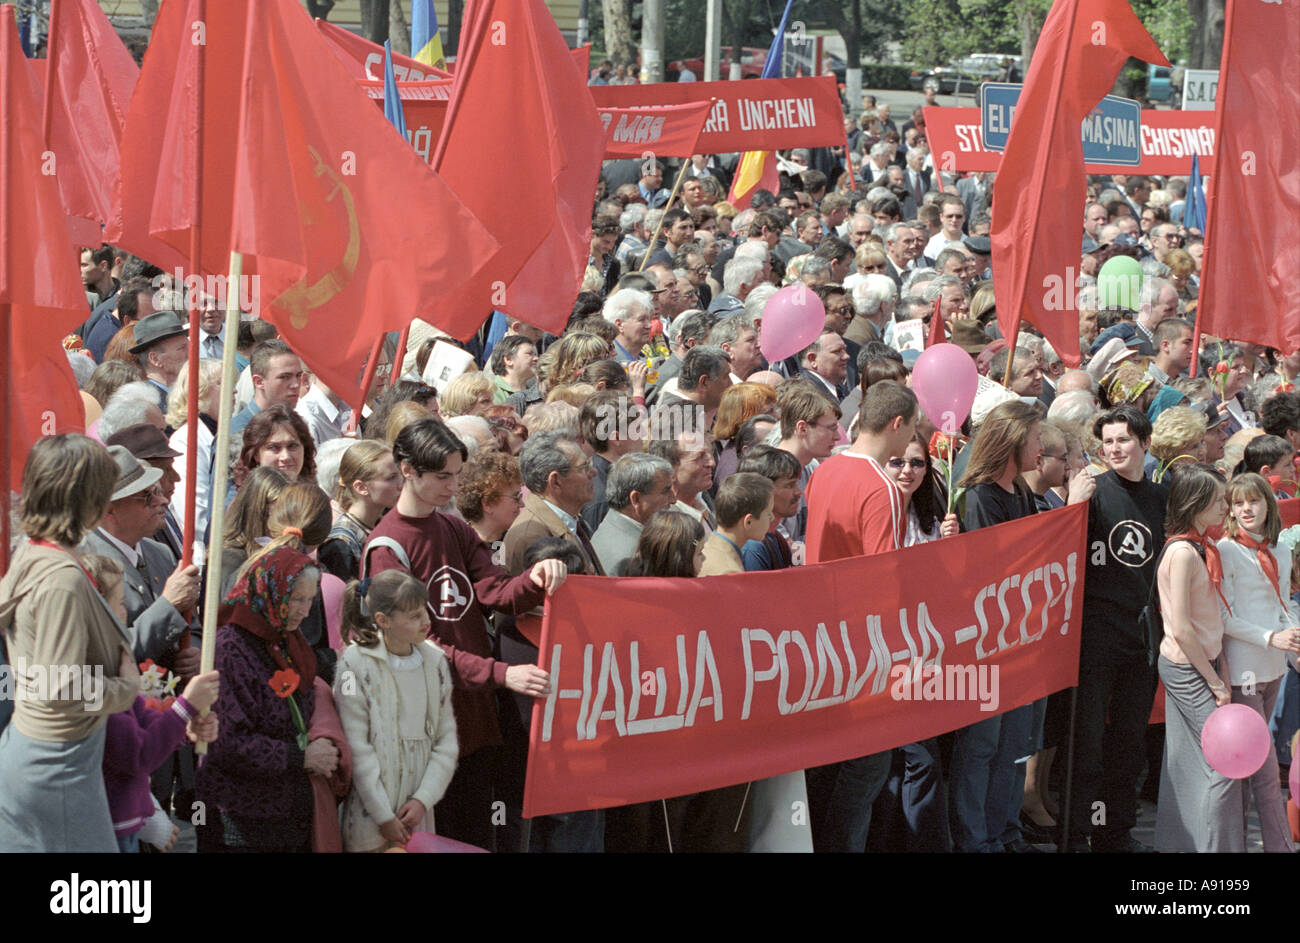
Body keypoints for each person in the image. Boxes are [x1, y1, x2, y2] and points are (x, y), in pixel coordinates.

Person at [363, 418, 567, 849]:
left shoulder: (452, 527)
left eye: (456, 475)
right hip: (427, 726)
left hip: (473, 716)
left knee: (481, 833)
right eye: (441, 476)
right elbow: (419, 647)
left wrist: (536, 577)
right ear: (407, 470)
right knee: (443, 840)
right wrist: (501, 674)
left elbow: (495, 590)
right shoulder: (386, 549)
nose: (452, 487)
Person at [0, 436, 139, 851]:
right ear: (88, 500)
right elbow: (59, 687)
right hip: (57, 765)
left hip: (47, 759)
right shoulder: (61, 577)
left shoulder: (34, 553)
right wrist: (125, 689)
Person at [801, 380, 918, 852]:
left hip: (819, 637)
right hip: (862, 649)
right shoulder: (880, 487)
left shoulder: (824, 470)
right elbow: (882, 582)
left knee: (835, 766)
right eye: (911, 427)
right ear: (897, 425)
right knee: (866, 769)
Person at [1065, 404, 1167, 853]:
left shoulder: (1164, 497)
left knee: (1128, 743)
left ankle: (1115, 832)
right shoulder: (1090, 490)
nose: (1114, 448)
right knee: (1086, 743)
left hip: (1143, 639)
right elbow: (1061, 552)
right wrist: (1072, 506)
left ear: (1145, 443)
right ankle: (1078, 831)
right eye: (1107, 441)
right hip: (1095, 636)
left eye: (1123, 439)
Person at [196, 545, 344, 852]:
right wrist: (301, 757)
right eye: (297, 600)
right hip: (240, 822)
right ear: (270, 593)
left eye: (310, 600)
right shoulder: (229, 651)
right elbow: (225, 743)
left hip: (285, 816)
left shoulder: (284, 639)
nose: (305, 611)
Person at [83, 553, 221, 852]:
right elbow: (137, 752)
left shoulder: (113, 665)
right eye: (121, 603)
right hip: (107, 829)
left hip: (126, 822)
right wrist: (185, 707)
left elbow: (143, 722)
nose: (125, 611)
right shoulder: (94, 678)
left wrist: (185, 728)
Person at [1154, 463, 1244, 852]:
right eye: (1218, 501)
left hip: (1200, 662)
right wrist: (1215, 682)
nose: (1225, 507)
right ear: (1196, 504)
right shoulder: (1183, 553)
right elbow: (1181, 628)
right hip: (1187, 667)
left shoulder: (1198, 549)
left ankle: (1187, 844)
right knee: (1225, 762)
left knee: (1188, 763)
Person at [334, 571, 458, 852]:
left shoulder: (434, 661)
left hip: (416, 813)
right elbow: (358, 747)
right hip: (370, 817)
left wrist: (423, 799)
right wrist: (383, 815)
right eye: (414, 616)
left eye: (425, 610)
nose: (426, 621)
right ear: (383, 620)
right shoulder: (355, 664)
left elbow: (445, 740)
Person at [1216, 473, 1299, 852]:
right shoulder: (1226, 550)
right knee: (1264, 773)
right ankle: (1277, 847)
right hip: (1244, 670)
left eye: (1253, 501)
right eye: (1238, 503)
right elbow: (1226, 617)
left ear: (1269, 503)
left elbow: (1282, 606)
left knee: (1252, 770)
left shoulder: (1280, 550)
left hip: (1275, 669)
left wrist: (1294, 635)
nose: (1246, 509)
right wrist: (1272, 637)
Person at [318, 441, 403, 582]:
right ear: (361, 487)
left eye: (399, 474)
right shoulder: (340, 545)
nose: (401, 484)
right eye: (391, 478)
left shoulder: (382, 523)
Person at [236, 403, 317, 487]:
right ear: (255, 454)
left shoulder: (317, 498)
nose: (285, 457)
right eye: (273, 447)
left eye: (292, 446)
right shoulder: (245, 499)